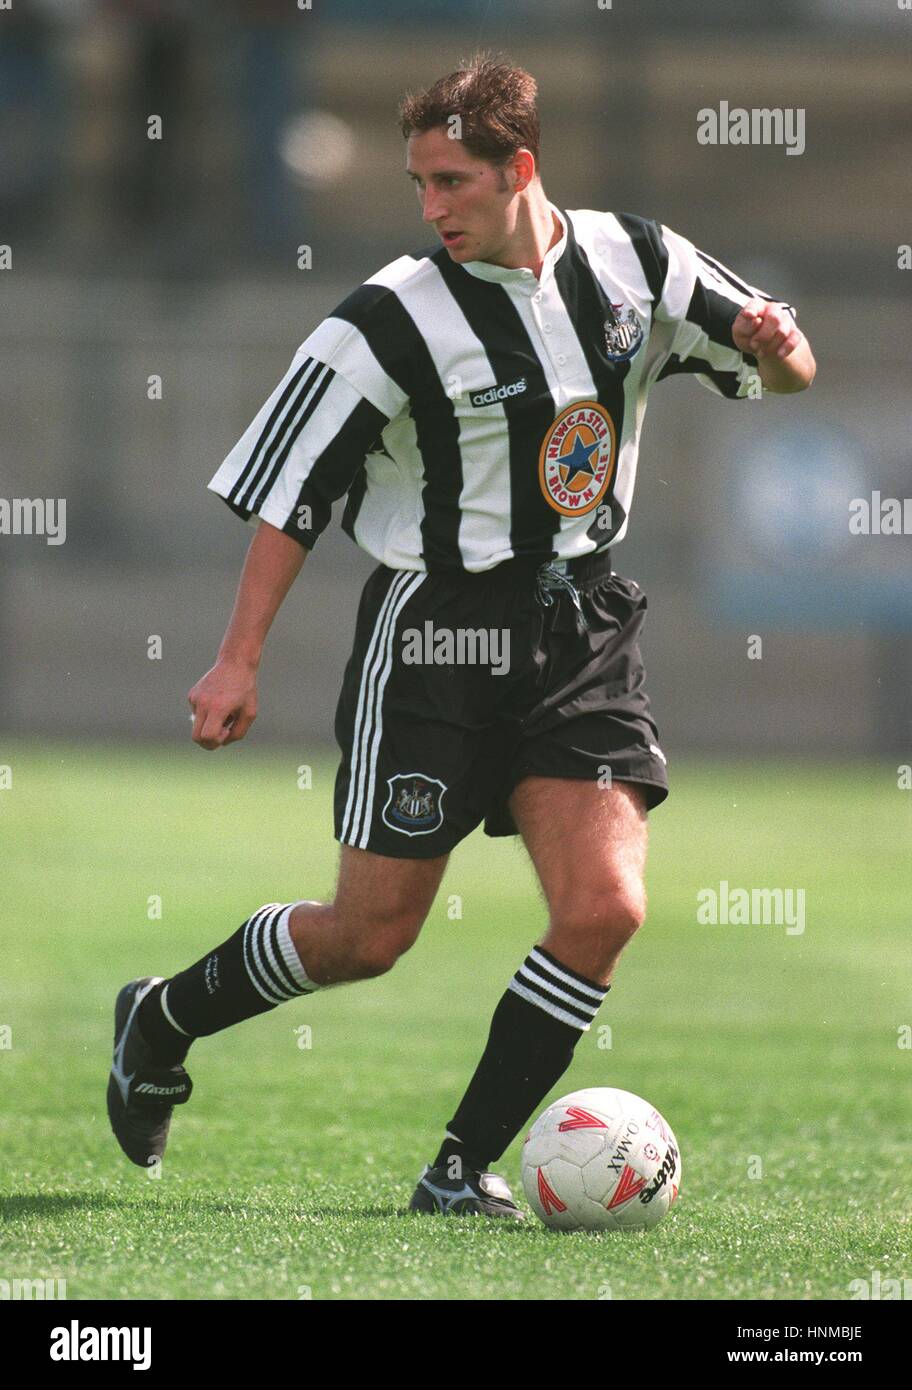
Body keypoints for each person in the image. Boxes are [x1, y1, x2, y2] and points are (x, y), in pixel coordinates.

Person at [107, 57, 815, 1218]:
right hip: (434, 632)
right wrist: (238, 658)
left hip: (581, 617)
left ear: (519, 168)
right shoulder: (389, 317)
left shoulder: (640, 260)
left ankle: (456, 1169)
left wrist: (780, 346)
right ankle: (163, 1016)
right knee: (368, 935)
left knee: (606, 910)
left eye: (451, 182)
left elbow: (782, 367)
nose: (431, 207)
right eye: (418, 183)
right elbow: (291, 498)